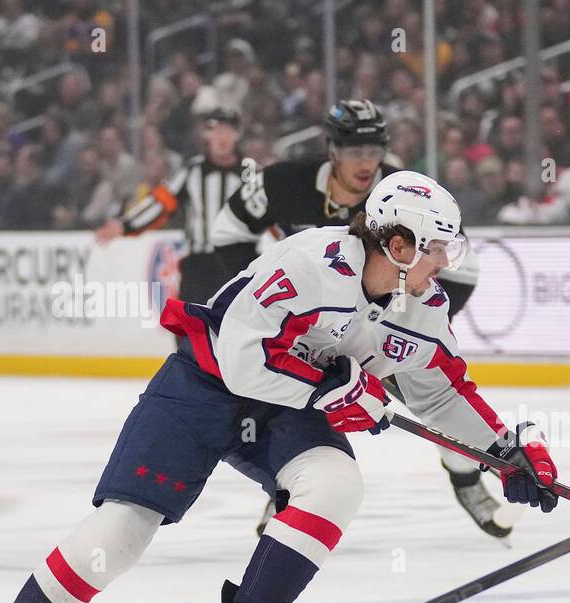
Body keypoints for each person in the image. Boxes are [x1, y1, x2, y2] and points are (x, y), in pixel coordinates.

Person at [0, 171, 559, 603]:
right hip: (205, 385)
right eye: (434, 251)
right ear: (396, 245)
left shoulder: (421, 307)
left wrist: (505, 450)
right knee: (123, 532)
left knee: (335, 481)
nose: (443, 267)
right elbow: (242, 359)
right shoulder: (311, 261)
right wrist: (333, 391)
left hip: (285, 405)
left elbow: (444, 390)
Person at [210, 99, 507, 540]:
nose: (367, 161)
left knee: (441, 400)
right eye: (354, 150)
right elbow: (226, 233)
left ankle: (466, 477)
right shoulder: (283, 182)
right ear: (331, 150)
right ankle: (290, 491)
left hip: (384, 320)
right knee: (296, 397)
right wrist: (264, 283)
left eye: (374, 150)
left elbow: (461, 266)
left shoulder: (403, 196)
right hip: (314, 325)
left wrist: (406, 321)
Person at [93, 106, 246, 303]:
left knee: (233, 328)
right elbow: (160, 203)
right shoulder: (192, 171)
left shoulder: (250, 174)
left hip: (236, 265)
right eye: (216, 130)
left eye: (227, 131)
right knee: (189, 328)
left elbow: (272, 214)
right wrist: (125, 224)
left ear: (237, 135)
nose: (222, 137)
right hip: (200, 266)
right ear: (206, 134)